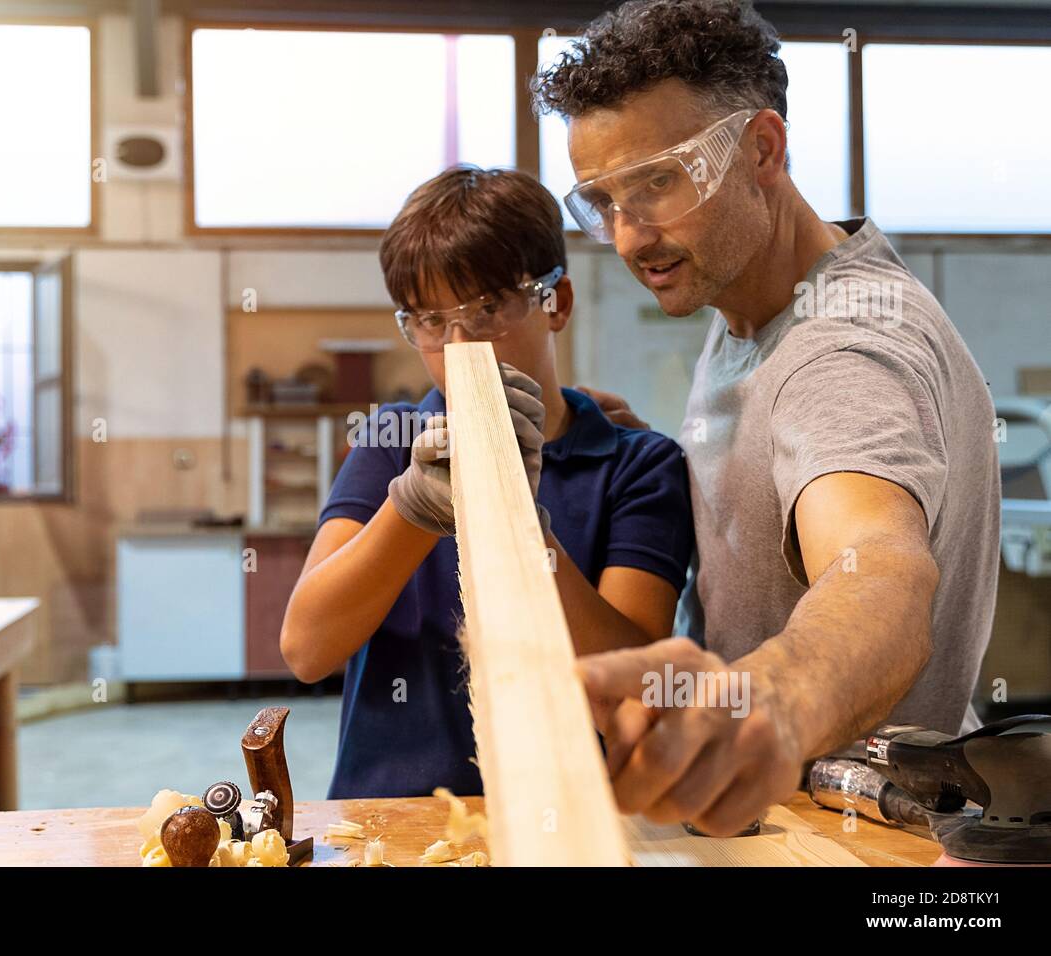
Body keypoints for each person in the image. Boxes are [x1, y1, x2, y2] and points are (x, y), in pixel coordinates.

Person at [532, 0, 999, 835]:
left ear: (764, 150)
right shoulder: (749, 303)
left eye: (658, 182)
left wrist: (768, 704)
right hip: (774, 822)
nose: (630, 236)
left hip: (852, 839)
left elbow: (881, 570)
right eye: (601, 200)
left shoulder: (845, 349)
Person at [280, 165, 694, 798]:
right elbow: (307, 649)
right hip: (389, 824)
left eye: (488, 308)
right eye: (427, 319)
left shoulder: (638, 464)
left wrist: (523, 528)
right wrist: (413, 510)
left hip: (571, 821)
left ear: (556, 302)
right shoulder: (390, 441)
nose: (459, 346)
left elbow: (631, 689)